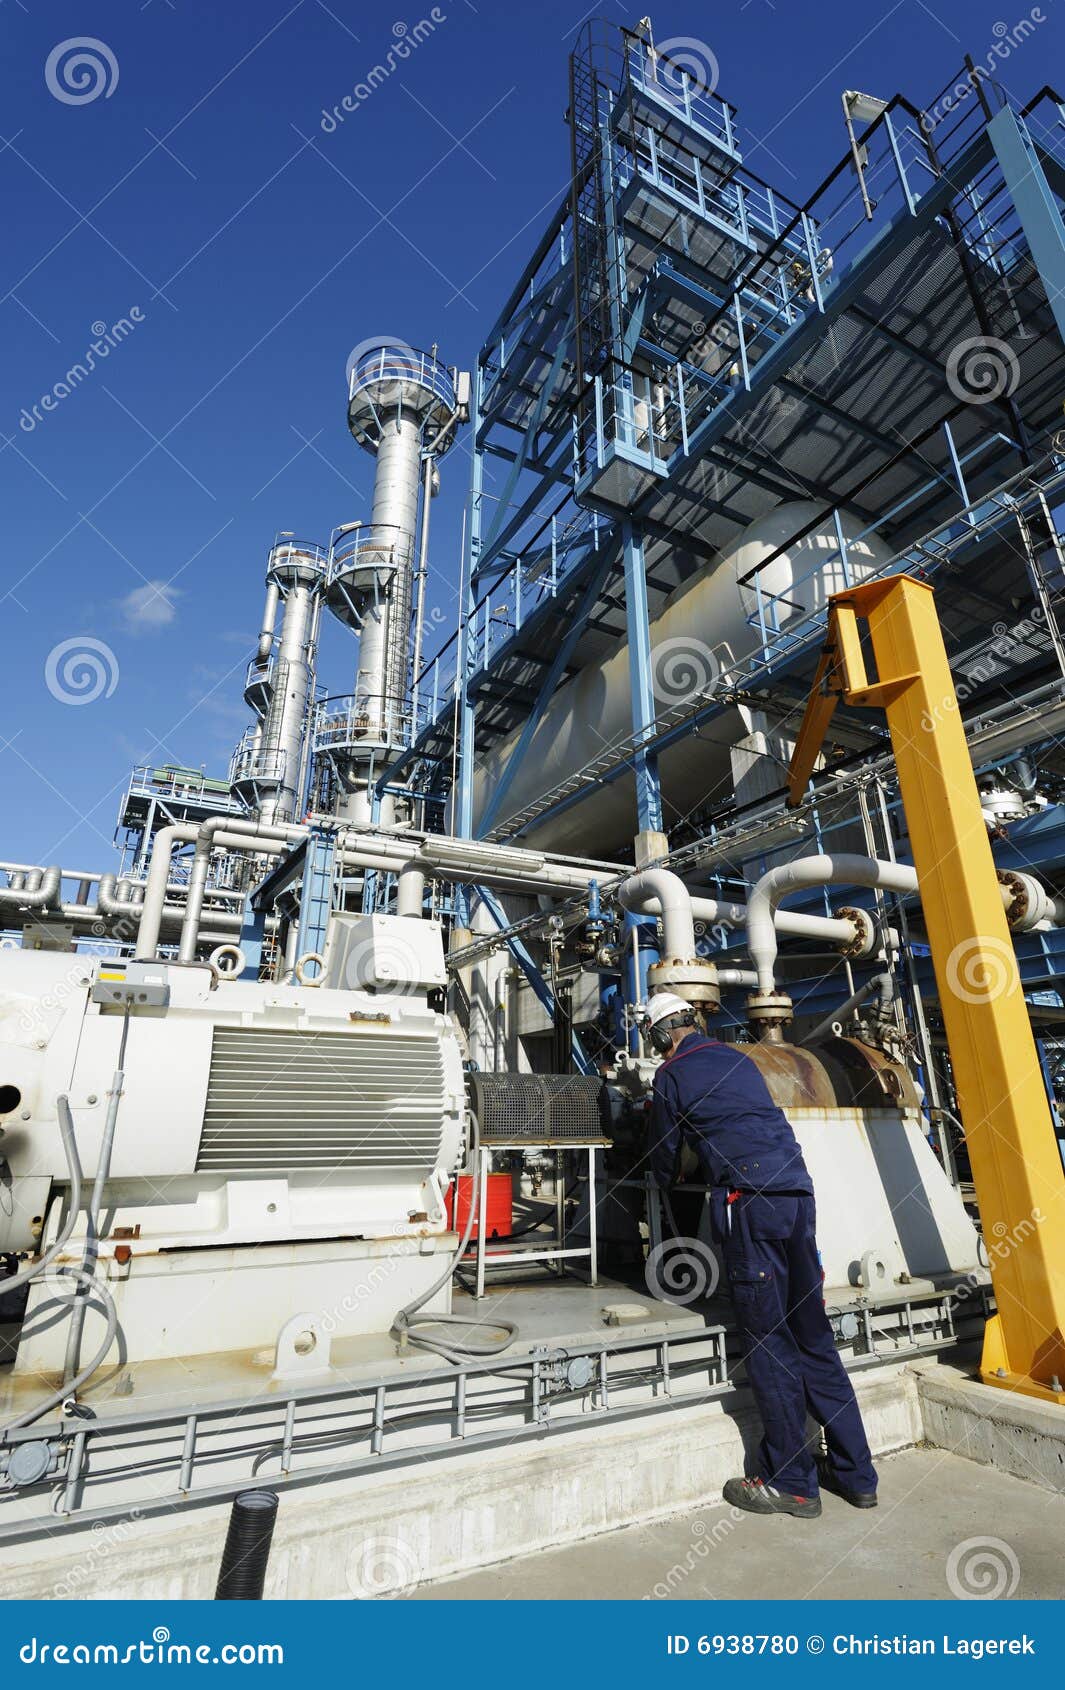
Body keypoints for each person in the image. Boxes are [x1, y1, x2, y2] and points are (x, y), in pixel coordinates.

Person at [640, 992, 878, 1520]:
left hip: (751, 1203)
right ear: (696, 1019)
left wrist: (660, 1180)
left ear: (660, 1035)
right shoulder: (738, 1058)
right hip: (797, 1192)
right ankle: (856, 1473)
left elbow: (663, 1149)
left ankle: (791, 1481)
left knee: (770, 1342)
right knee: (813, 1336)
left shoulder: (671, 1074)